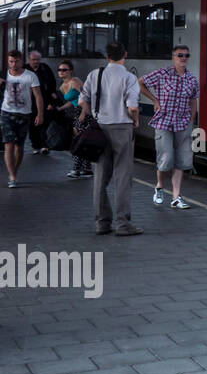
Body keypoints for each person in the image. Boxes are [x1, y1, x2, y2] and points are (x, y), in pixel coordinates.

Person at [79, 42, 142, 236]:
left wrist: (92, 117)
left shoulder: (94, 75)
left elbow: (83, 101)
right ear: (125, 54)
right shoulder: (129, 77)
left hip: (100, 129)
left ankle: (102, 223)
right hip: (122, 129)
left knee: (100, 178)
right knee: (122, 178)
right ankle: (123, 224)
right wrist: (136, 121)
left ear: (107, 57)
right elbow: (132, 107)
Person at [138, 44, 199, 210]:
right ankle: (159, 187)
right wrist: (154, 100)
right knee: (166, 158)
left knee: (182, 160)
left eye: (186, 55)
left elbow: (193, 100)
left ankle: (176, 197)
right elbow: (140, 82)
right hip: (163, 121)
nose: (183, 58)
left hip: (183, 123)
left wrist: (191, 119)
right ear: (173, 57)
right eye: (180, 55)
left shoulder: (192, 79)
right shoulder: (162, 73)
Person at [3, 50, 45, 188]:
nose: (14, 64)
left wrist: (40, 114)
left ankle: (14, 171)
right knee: (8, 144)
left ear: (22, 61)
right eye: (11, 61)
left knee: (19, 146)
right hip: (6, 113)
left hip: (24, 114)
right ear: (8, 61)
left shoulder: (30, 76)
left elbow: (38, 96)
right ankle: (12, 176)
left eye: (16, 61)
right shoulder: (3, 75)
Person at [56, 60, 92, 178]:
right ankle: (86, 169)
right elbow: (72, 101)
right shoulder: (62, 86)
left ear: (70, 71)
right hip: (77, 112)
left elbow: (86, 97)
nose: (61, 72)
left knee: (79, 141)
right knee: (82, 141)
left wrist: (83, 113)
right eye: (60, 70)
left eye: (64, 70)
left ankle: (77, 169)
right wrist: (60, 108)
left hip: (84, 112)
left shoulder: (75, 82)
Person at [26, 49, 59, 155]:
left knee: (45, 123)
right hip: (30, 102)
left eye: (38, 59)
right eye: (33, 59)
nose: (36, 62)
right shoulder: (25, 69)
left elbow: (52, 84)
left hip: (44, 101)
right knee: (33, 124)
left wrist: (52, 101)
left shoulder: (45, 68)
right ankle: (36, 145)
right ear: (29, 59)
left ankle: (45, 145)